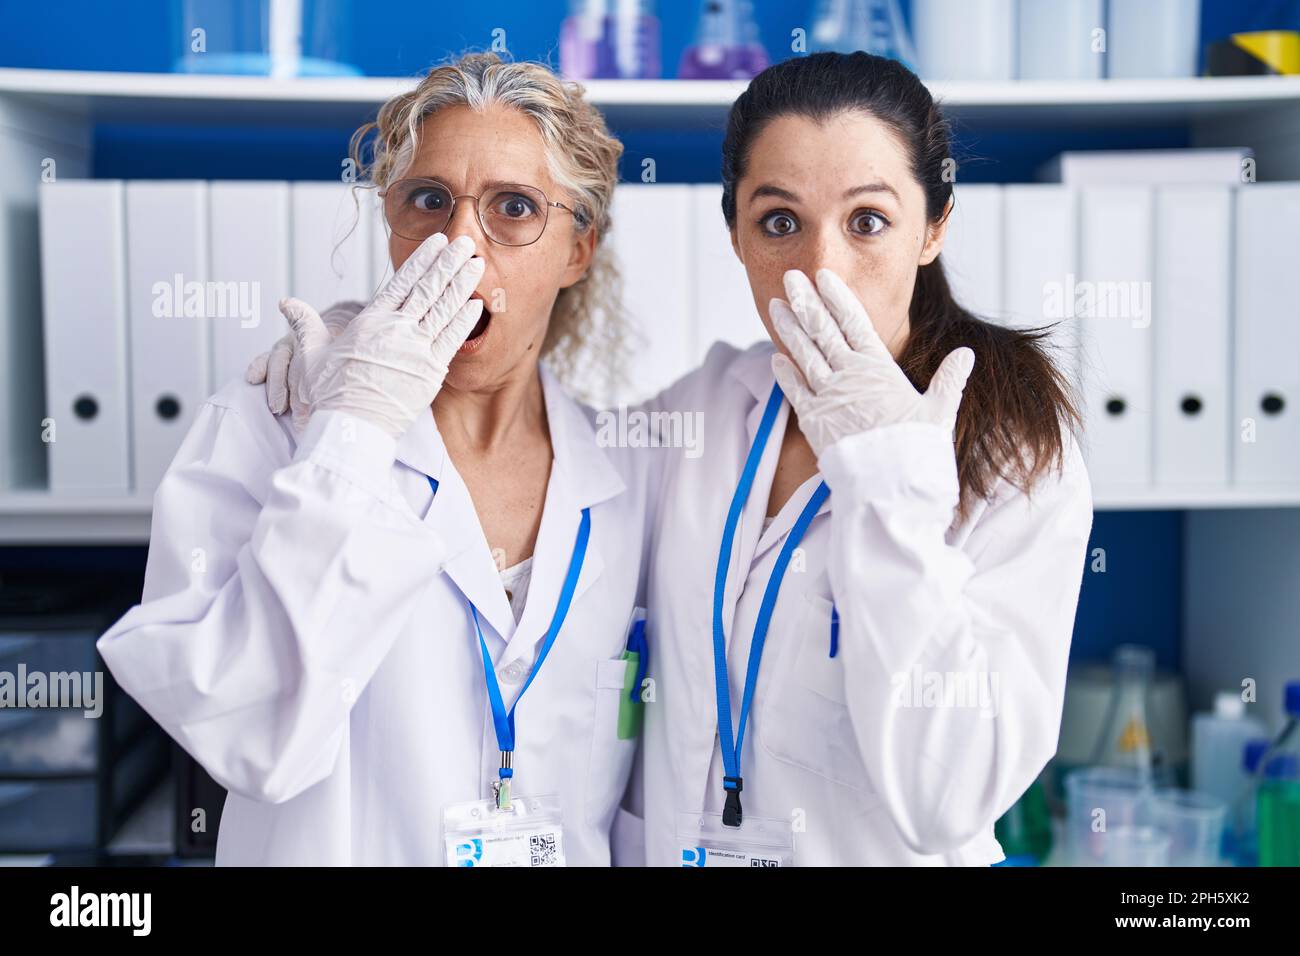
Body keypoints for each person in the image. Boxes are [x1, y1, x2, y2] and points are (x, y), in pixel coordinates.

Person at [254, 51, 1095, 867]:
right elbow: (532, 443)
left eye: (867, 222)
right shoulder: (707, 415)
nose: (820, 267)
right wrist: (353, 389)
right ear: (735, 233)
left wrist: (891, 485)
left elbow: (945, 799)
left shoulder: (1014, 465)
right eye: (779, 222)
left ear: (933, 226)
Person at [96, 53, 650, 866]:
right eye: (428, 201)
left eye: (515, 208)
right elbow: (249, 735)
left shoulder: (632, 477)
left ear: (577, 251)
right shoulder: (276, 421)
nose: (458, 244)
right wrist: (348, 434)